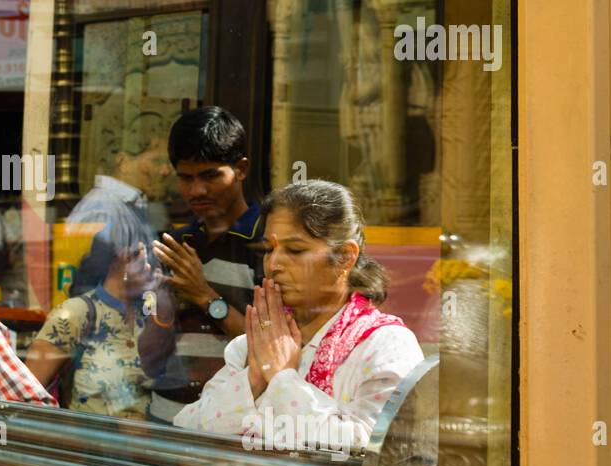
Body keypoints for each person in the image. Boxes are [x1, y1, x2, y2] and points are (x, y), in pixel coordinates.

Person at [173, 180, 423, 449]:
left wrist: (282, 378)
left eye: (295, 250)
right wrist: (255, 377)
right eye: (269, 249)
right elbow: (188, 426)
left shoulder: (385, 346)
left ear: (345, 257)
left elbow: (371, 451)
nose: (274, 264)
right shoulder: (255, 345)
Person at [139, 107, 264, 423]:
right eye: (186, 178)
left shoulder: (266, 243)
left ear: (242, 169)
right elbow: (148, 352)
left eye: (210, 176)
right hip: (165, 416)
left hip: (230, 425)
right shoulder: (175, 244)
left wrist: (205, 297)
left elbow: (269, 349)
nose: (196, 191)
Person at [26, 236, 154, 418]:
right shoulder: (75, 313)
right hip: (88, 440)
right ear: (123, 259)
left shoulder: (149, 315)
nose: (150, 268)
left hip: (150, 443)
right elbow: (27, 393)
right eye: (145, 259)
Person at [65, 111, 172, 297]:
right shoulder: (103, 209)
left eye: (167, 162)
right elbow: (88, 292)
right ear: (124, 162)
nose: (166, 170)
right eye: (157, 161)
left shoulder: (131, 207)